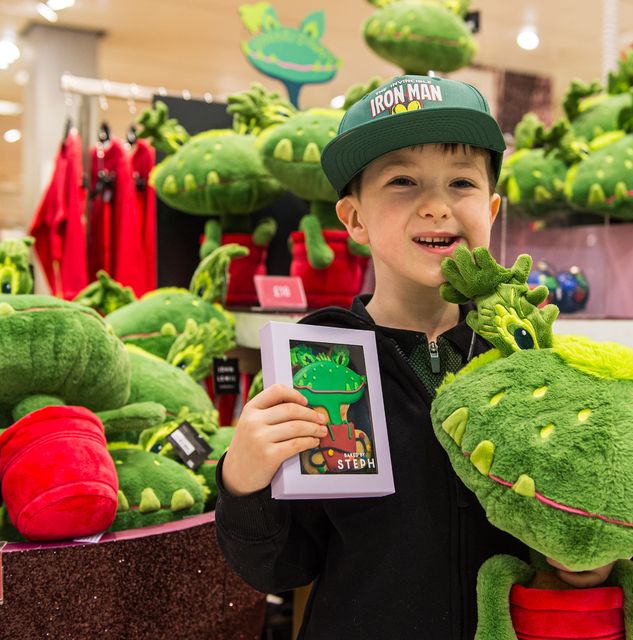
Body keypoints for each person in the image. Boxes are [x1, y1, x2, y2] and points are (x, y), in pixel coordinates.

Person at [215, 75, 611, 639]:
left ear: (491, 209)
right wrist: (242, 481)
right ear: (353, 218)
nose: (435, 206)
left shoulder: (525, 351)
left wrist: (592, 558)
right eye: (402, 181)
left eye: (461, 182)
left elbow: (587, 504)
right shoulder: (318, 358)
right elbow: (282, 567)